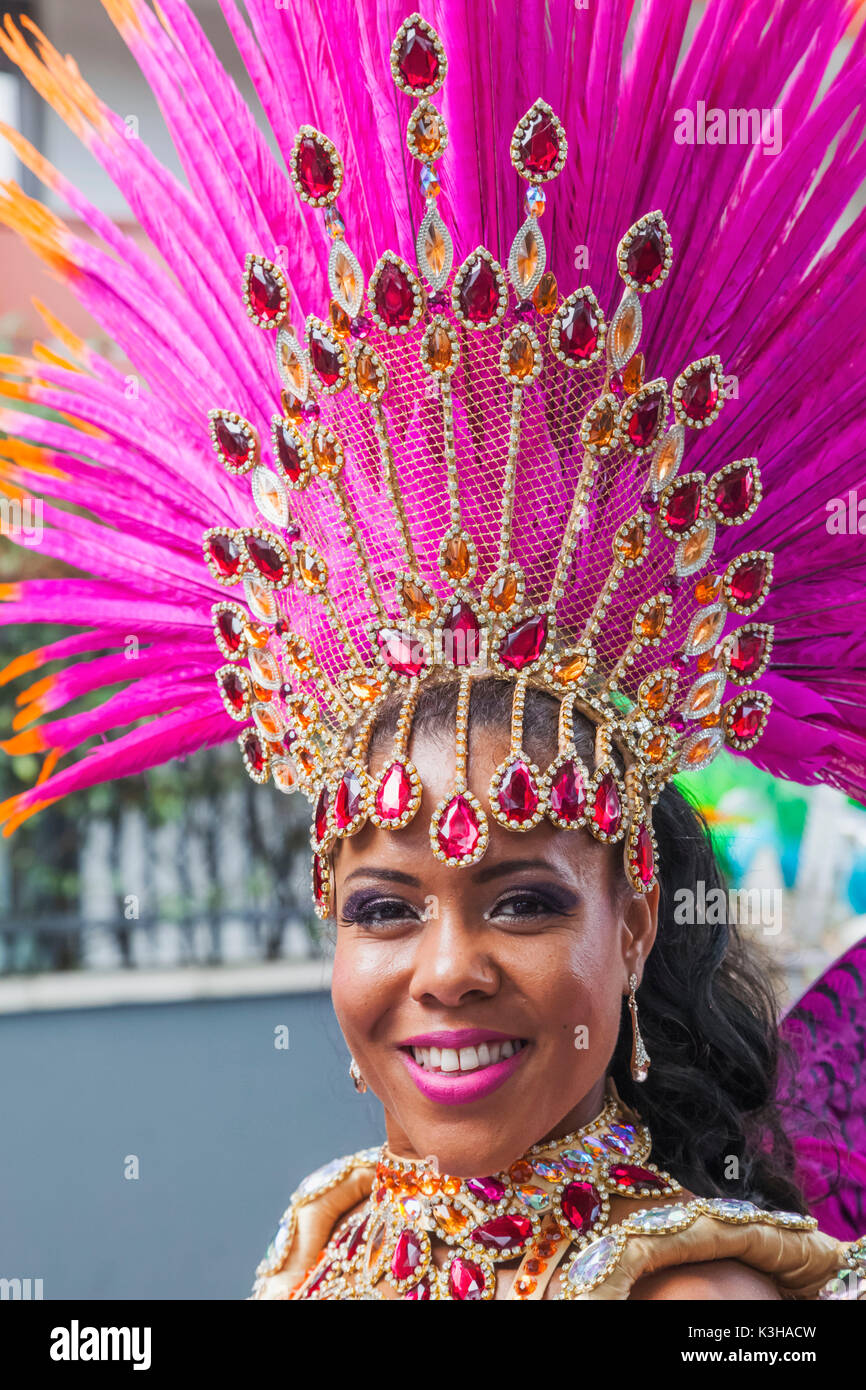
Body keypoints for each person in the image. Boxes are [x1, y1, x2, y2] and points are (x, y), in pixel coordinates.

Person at [0, 1, 863, 1300]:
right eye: (382, 909)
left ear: (631, 927)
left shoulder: (695, 1298)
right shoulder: (324, 1248)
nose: (444, 968)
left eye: (522, 898)